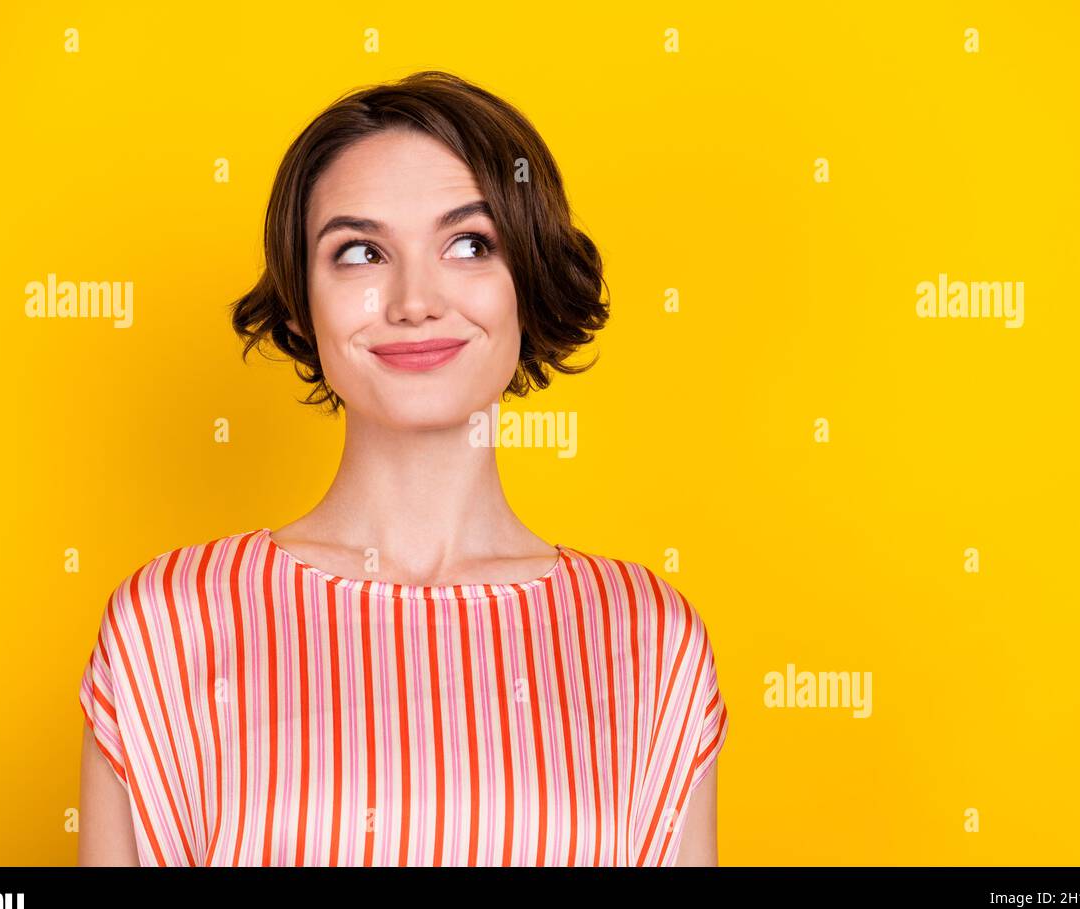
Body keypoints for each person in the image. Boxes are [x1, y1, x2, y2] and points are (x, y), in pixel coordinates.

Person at [77, 70, 727, 866]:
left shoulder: (648, 639)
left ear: (528, 280)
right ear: (298, 304)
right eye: (360, 252)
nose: (414, 300)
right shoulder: (169, 625)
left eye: (468, 244)